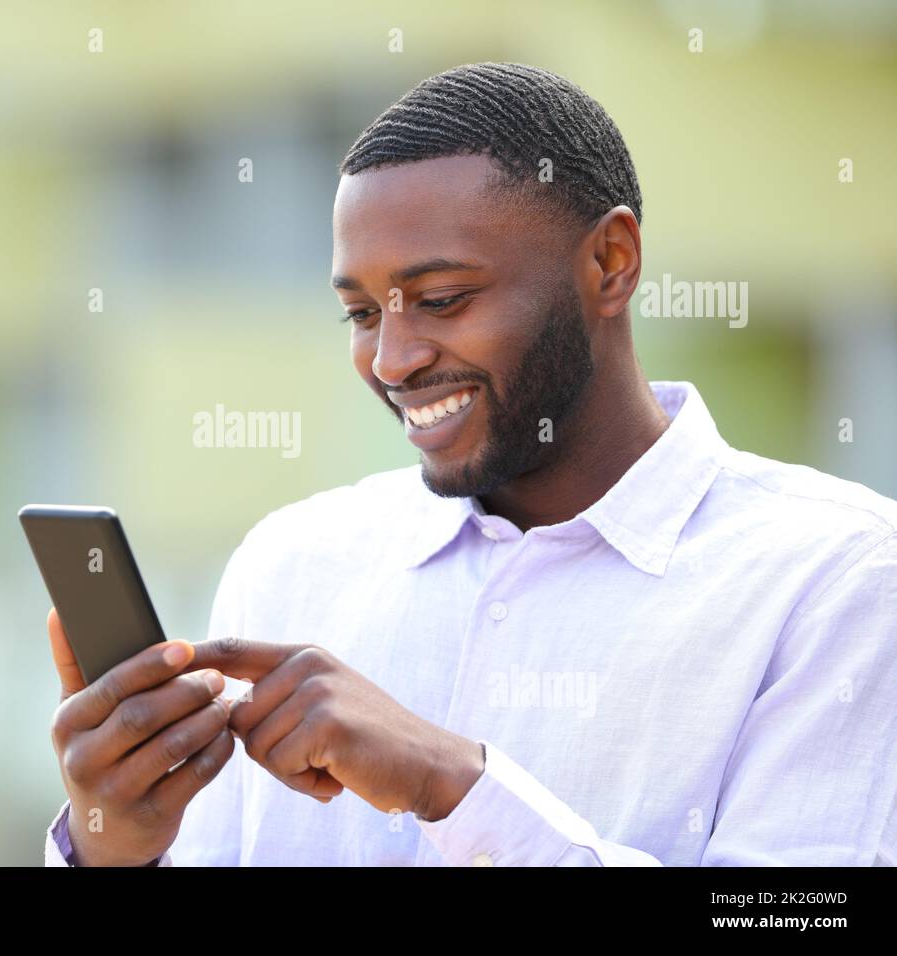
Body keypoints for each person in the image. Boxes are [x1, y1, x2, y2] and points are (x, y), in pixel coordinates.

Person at [44, 62, 897, 866]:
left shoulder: (838, 580)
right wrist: (117, 843)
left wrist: (453, 786)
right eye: (362, 313)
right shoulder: (294, 562)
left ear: (610, 263)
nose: (392, 359)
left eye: (443, 300)